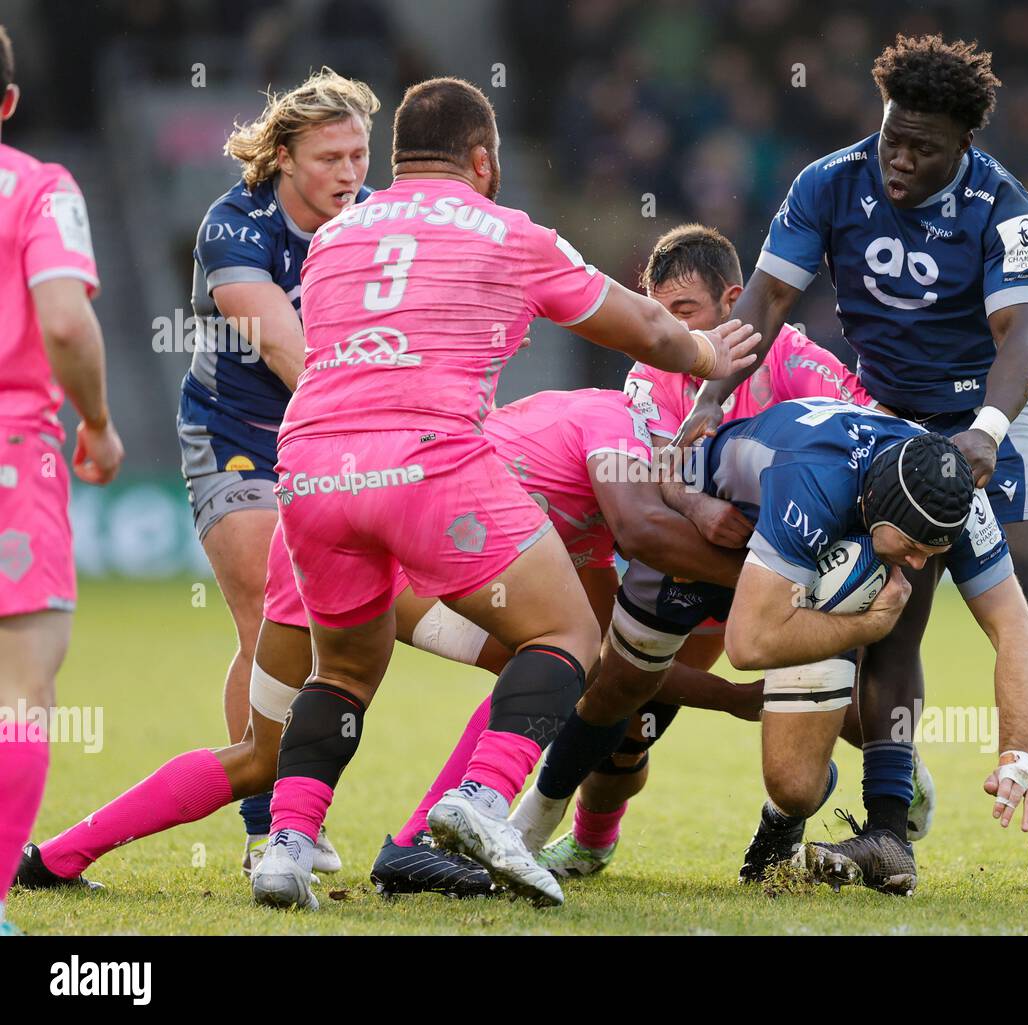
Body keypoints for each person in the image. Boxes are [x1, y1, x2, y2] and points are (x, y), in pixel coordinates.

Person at [251, 76, 759, 910]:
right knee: (566, 633)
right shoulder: (509, 231)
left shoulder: (337, 234)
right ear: (483, 161)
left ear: (396, 159)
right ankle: (482, 801)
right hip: (429, 458)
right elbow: (646, 328)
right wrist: (709, 357)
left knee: (340, 674)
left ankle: (286, 846)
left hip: (310, 466)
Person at [16, 388, 746, 903]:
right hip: (383, 545)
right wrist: (750, 636)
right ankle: (415, 841)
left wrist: (732, 695)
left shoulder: (584, 449)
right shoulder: (617, 435)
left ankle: (53, 859)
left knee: (260, 754)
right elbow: (617, 624)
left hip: (316, 525)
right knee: (542, 659)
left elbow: (616, 664)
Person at [674, 34, 1028, 887]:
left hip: (993, 416)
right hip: (889, 419)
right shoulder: (831, 180)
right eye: (892, 137)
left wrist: (982, 429)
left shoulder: (1005, 208)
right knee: (895, 611)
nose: (898, 159)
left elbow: (1023, 339)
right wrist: (714, 389)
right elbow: (767, 298)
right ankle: (890, 830)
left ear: (963, 145)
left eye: (922, 149)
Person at [512, 397, 1028, 894]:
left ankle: (803, 807)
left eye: (932, 552)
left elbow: (1016, 630)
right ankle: (527, 826)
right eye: (910, 549)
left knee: (794, 786)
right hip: (710, 537)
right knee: (617, 687)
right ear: (872, 509)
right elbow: (748, 644)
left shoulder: (958, 495)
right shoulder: (814, 481)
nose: (916, 565)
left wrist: (1018, 754)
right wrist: (865, 627)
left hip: (799, 568)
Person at [179, 68, 378, 875]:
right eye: (330, 156)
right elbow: (288, 350)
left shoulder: (370, 220)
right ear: (285, 158)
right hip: (236, 435)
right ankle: (268, 822)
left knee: (333, 642)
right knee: (269, 619)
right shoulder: (235, 225)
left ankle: (296, 806)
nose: (350, 173)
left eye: (361, 155)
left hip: (331, 439)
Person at [0, 24, 123, 936]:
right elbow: (68, 326)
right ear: (7, 102)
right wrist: (98, 424)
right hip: (13, 454)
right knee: (18, 694)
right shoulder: (38, 187)